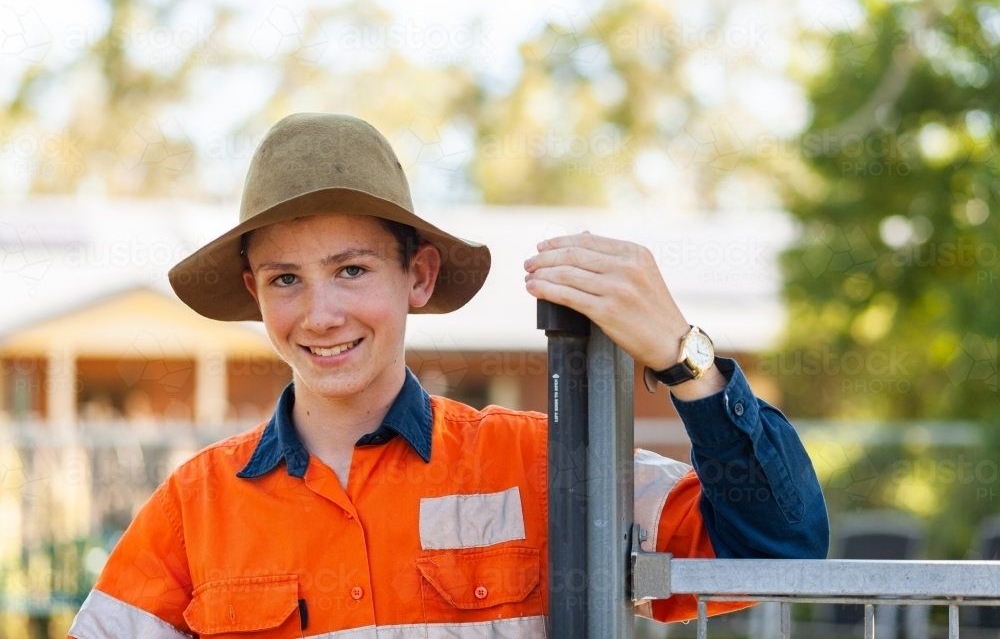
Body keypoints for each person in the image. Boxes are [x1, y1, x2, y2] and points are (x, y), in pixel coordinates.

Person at [67, 113, 828, 638]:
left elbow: (776, 550)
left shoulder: (545, 467)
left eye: (352, 269)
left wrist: (681, 353)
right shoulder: (195, 508)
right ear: (254, 295)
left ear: (419, 277)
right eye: (285, 280)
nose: (321, 313)